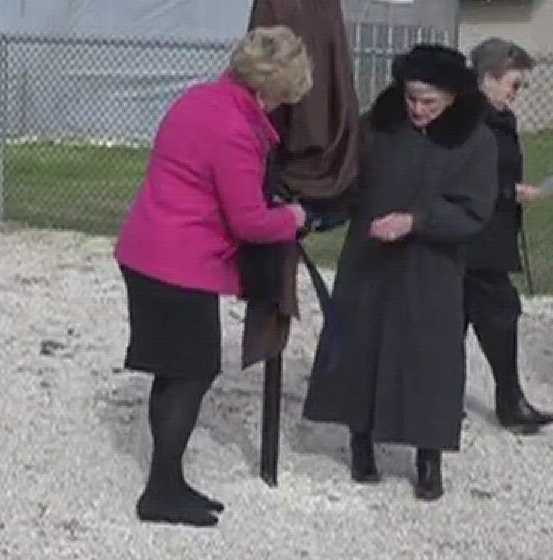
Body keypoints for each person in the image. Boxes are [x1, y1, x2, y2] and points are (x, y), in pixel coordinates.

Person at [114, 27, 313, 527]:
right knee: (192, 372)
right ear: (268, 89)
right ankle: (161, 490)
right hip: (179, 260)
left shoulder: (199, 99)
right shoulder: (235, 129)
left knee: (176, 369)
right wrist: (294, 217)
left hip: (147, 248)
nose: (280, 109)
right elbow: (249, 222)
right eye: (282, 99)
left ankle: (167, 478)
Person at [301, 44, 498, 501]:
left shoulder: (475, 140)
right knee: (361, 348)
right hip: (369, 259)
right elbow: (347, 185)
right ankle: (361, 441)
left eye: (429, 101)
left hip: (431, 267)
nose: (417, 109)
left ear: (452, 97)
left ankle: (429, 457)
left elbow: (474, 209)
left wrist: (417, 221)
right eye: (411, 98)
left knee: (430, 359)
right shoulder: (377, 126)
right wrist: (315, 213)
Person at [464, 38, 553, 434]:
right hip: (473, 237)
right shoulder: (468, 120)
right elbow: (463, 180)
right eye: (513, 84)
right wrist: (511, 192)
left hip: (492, 234)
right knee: (495, 312)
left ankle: (500, 399)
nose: (515, 93)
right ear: (487, 77)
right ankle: (508, 401)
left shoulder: (499, 119)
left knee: (476, 314)